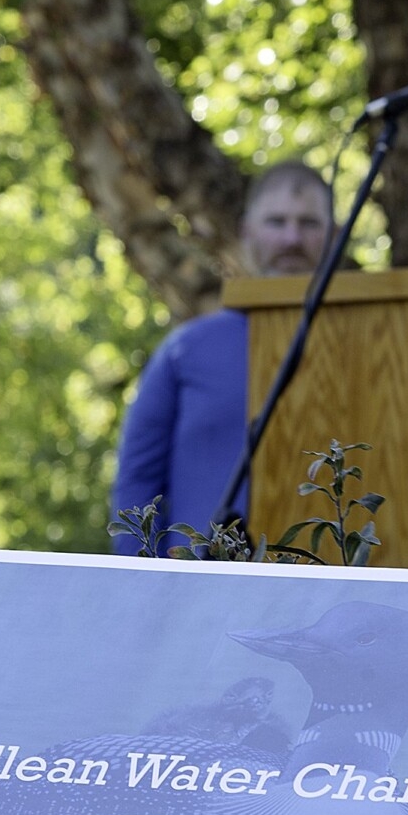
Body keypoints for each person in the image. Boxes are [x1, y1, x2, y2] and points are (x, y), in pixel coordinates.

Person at [110, 161, 334, 553]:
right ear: (247, 232)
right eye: (277, 222)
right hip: (201, 594)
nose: (292, 238)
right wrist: (142, 590)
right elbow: (137, 484)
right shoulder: (186, 350)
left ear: (333, 235)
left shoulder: (369, 353)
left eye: (309, 223)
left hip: (339, 588)